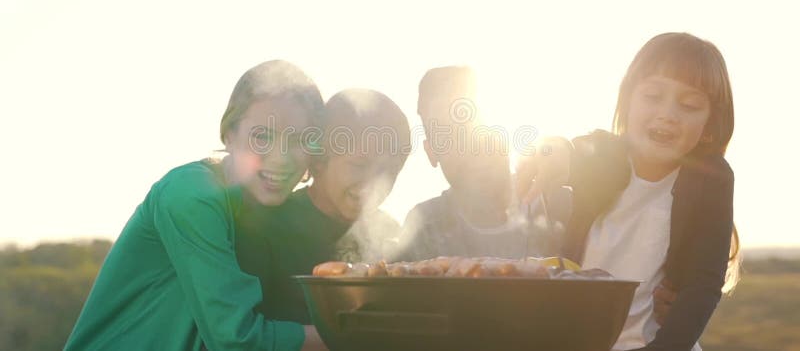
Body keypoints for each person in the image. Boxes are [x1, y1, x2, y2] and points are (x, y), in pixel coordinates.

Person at [65, 60, 328, 351]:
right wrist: (352, 337)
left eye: (298, 140)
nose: (280, 158)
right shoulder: (191, 195)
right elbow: (236, 339)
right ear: (229, 134)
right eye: (263, 136)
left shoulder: (264, 213)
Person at [517, 32, 740, 351]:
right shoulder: (606, 155)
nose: (668, 113)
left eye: (689, 104)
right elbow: (570, 152)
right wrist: (551, 152)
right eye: (652, 96)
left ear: (710, 124)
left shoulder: (709, 179)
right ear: (627, 100)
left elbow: (702, 284)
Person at [235, 88, 411, 324]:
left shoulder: (389, 233)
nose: (374, 183)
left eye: (389, 170)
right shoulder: (265, 227)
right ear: (318, 161)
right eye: (360, 164)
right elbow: (238, 332)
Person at [394, 66, 570, 262]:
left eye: (479, 127)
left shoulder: (558, 203)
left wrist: (570, 153)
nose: (473, 148)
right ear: (431, 152)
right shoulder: (425, 227)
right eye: (451, 137)